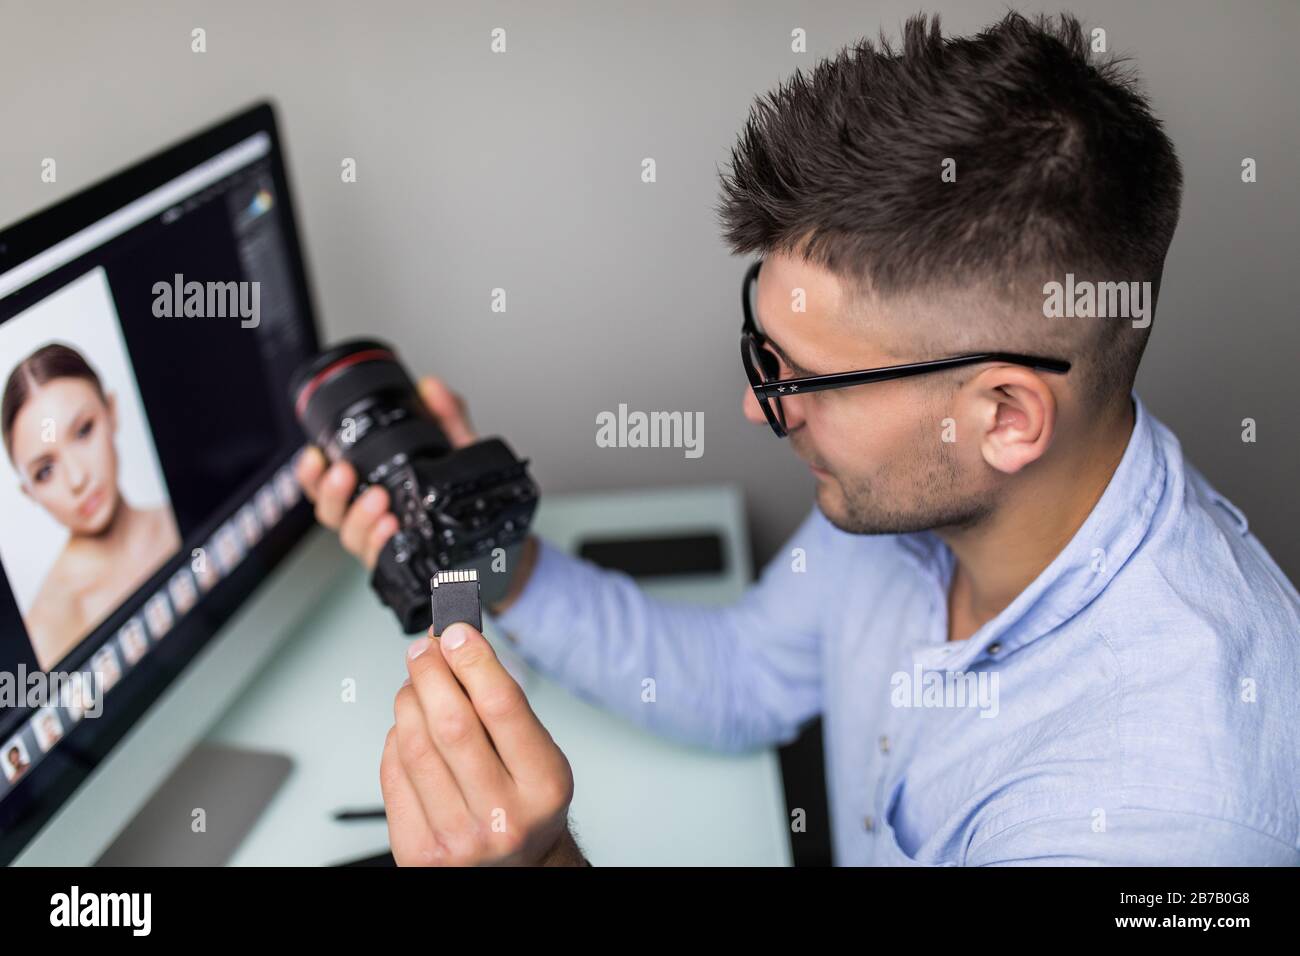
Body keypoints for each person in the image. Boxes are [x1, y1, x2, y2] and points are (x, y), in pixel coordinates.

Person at [297, 12, 1300, 866]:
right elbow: (738, 678)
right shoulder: (920, 501)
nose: (759, 408)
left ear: (1004, 416)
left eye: (803, 380)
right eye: (762, 352)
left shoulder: (1159, 814)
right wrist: (495, 562)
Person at [1, 343, 181, 670]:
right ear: (29, 493)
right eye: (45, 471)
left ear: (111, 412)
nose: (76, 478)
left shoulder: (184, 516)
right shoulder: (44, 632)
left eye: (84, 431)